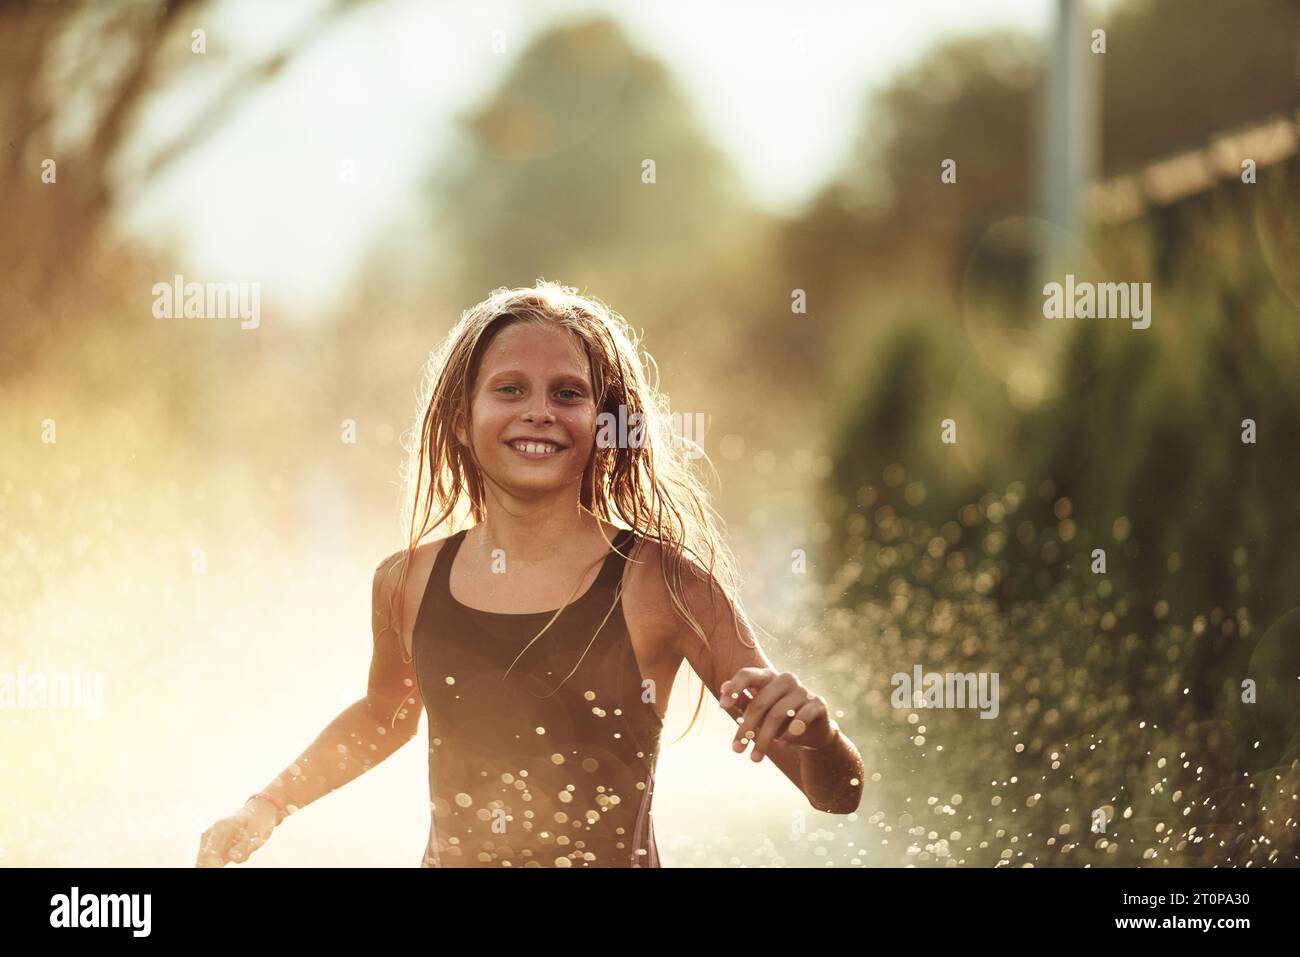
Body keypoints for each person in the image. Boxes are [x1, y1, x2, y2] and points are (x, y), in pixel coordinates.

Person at [196, 280, 864, 868]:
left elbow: (836, 795)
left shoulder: (663, 583)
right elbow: (383, 714)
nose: (538, 410)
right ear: (462, 419)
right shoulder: (408, 582)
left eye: (567, 392)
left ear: (605, 425)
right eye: (510, 389)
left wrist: (822, 738)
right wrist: (266, 805)